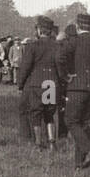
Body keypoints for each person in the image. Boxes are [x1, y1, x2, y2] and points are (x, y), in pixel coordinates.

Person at [57, 14, 90, 169]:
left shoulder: (73, 42)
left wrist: (65, 76)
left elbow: (59, 58)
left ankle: (89, 148)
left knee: (71, 121)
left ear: (77, 27)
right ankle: (79, 163)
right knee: (84, 125)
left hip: (76, 87)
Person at [18, 17, 61, 150]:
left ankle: (38, 143)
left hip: (36, 83)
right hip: (51, 82)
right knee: (49, 113)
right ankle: (52, 142)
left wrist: (20, 83)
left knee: (36, 113)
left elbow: (25, 67)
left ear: (39, 30)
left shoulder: (32, 46)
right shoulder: (57, 46)